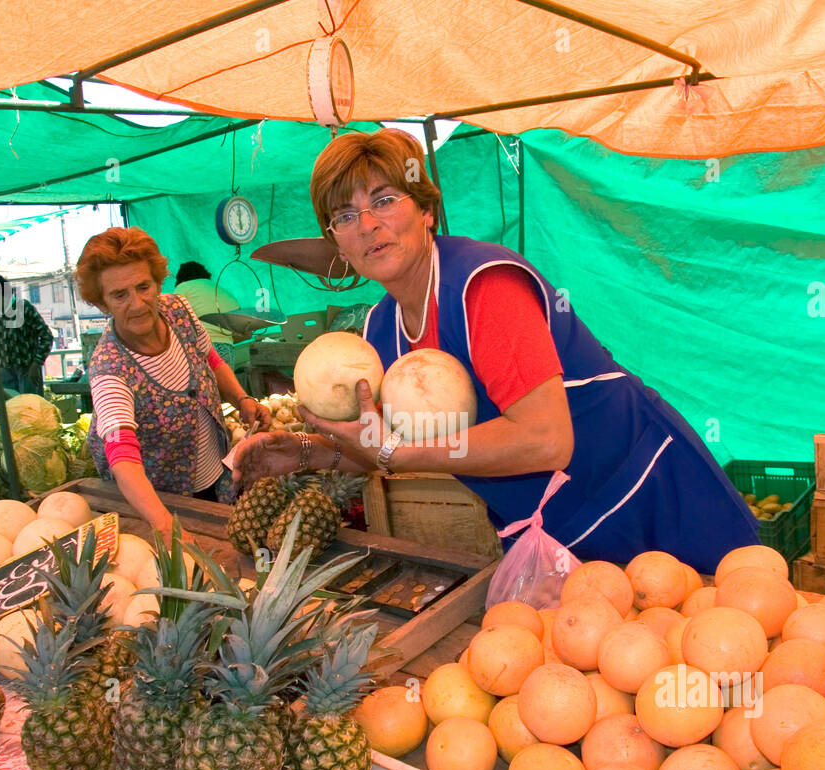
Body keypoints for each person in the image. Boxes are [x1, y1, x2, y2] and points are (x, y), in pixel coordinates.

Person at [231, 129, 759, 574]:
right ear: (337, 242)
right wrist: (306, 450)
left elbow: (545, 440)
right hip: (552, 534)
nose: (367, 225)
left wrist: (401, 454)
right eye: (345, 216)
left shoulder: (483, 287)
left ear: (426, 211)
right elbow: (384, 442)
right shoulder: (381, 330)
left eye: (385, 201)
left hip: (648, 501)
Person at [75, 228, 272, 541]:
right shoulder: (109, 368)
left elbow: (211, 360)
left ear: (157, 282)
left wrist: (242, 399)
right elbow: (121, 455)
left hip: (214, 473)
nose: (138, 303)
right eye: (119, 295)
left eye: (144, 287)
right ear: (102, 303)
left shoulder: (178, 310)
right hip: (160, 502)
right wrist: (165, 525)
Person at [0, 274, 53, 396]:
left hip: (27, 370)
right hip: (3, 372)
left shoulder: (24, 308)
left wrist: (36, 364)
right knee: (10, 409)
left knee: (31, 408)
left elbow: (46, 337)